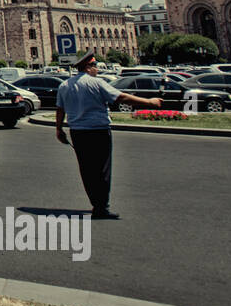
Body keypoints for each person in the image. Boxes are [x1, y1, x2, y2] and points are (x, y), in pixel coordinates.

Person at [54, 52, 160, 219]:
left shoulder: (64, 85)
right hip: (98, 130)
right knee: (102, 168)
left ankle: (96, 203)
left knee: (87, 169)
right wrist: (149, 102)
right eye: (95, 65)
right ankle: (101, 207)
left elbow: (60, 109)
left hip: (78, 132)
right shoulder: (97, 83)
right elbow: (120, 97)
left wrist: (58, 129)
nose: (97, 69)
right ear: (88, 67)